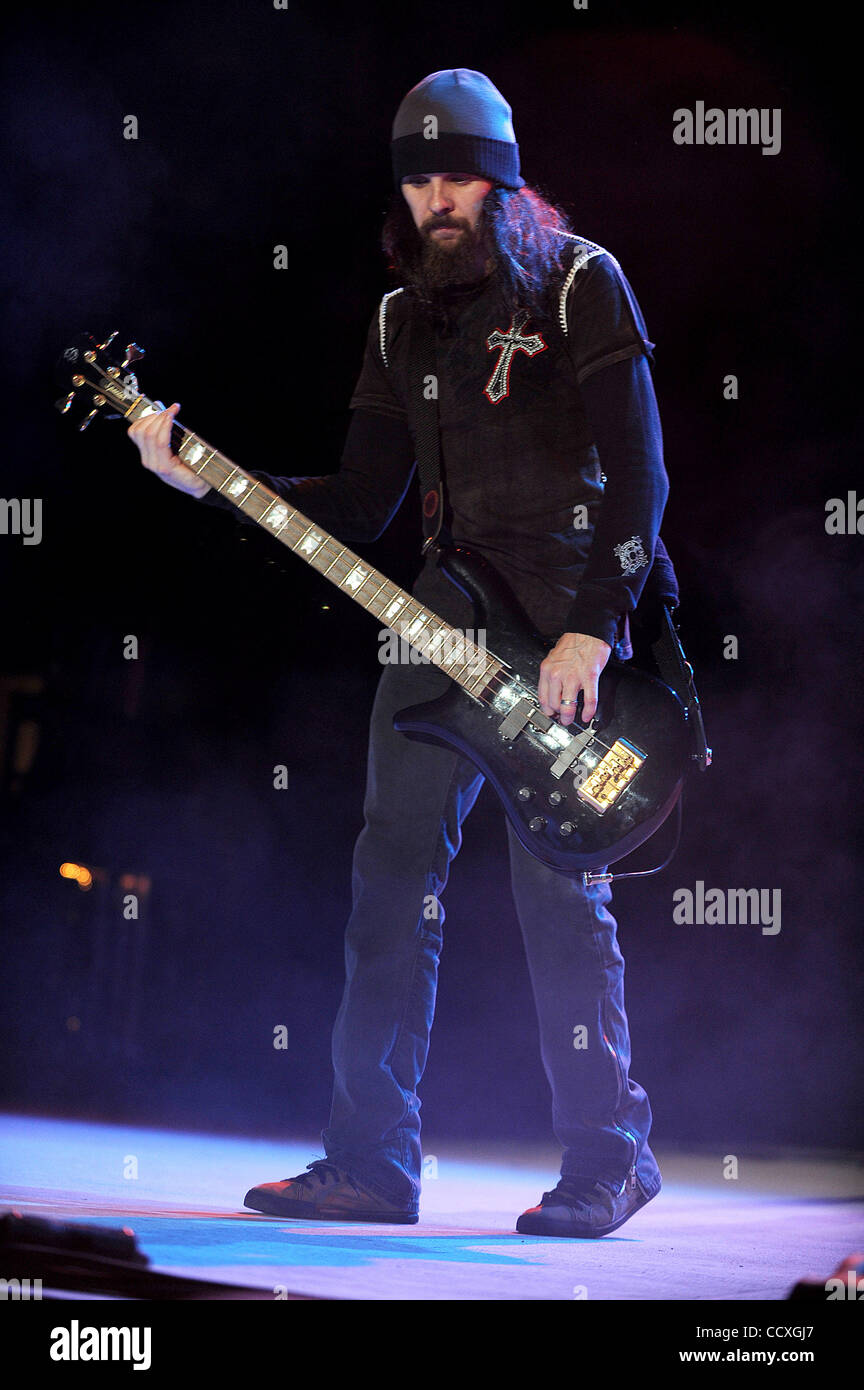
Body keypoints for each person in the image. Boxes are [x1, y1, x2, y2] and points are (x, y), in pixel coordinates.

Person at [128, 69, 671, 1237]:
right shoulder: (396, 320)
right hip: (436, 623)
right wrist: (205, 478)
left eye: (459, 177)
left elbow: (642, 477)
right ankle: (372, 1161)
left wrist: (593, 626)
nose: (438, 201)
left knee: (558, 894)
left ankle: (610, 1156)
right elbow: (362, 501)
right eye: (419, 182)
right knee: (389, 883)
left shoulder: (582, 283)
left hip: (567, 626)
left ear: (504, 182)